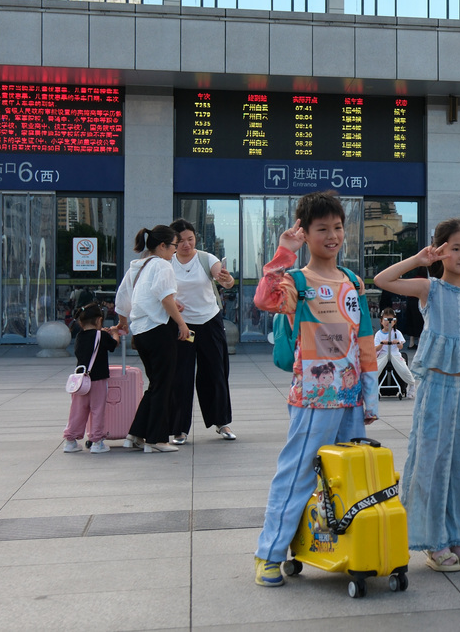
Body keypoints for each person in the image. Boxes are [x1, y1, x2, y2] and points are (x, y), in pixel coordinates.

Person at [250, 191, 378, 587]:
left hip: (351, 397)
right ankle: (269, 554)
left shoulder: (353, 281)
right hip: (313, 398)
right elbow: (264, 299)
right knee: (298, 474)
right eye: (322, 229)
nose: (333, 235)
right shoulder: (297, 281)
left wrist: (370, 390)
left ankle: (345, 551)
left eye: (338, 227)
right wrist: (283, 253)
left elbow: (366, 338)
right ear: (305, 233)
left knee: (351, 478)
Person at [375, 218, 460, 572]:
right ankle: (433, 541)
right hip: (437, 388)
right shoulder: (431, 289)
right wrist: (418, 260)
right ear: (440, 251)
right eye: (455, 248)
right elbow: (382, 281)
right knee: (430, 464)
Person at [115, 226, 191, 453]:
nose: (175, 252)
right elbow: (166, 298)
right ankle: (156, 440)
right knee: (163, 385)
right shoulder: (162, 265)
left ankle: (135, 434)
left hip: (141, 332)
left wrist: (122, 323)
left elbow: (122, 299)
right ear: (162, 246)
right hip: (159, 330)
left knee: (156, 384)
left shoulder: (137, 267)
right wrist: (181, 323)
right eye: (174, 247)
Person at [167, 218, 237, 445]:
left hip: (209, 321)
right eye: (181, 241)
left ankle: (222, 423)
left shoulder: (206, 259)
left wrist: (226, 279)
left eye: (190, 239)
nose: (186, 244)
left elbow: (224, 278)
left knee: (215, 372)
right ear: (173, 242)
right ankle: (179, 429)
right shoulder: (167, 263)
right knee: (181, 376)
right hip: (181, 325)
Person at [62, 303, 120, 454]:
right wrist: (114, 333)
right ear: (99, 320)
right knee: (97, 410)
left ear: (81, 322)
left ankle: (70, 441)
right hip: (98, 380)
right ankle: (97, 442)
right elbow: (114, 345)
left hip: (80, 381)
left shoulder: (80, 336)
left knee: (77, 410)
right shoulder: (102, 335)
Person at [374, 310, 415, 398]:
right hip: (383, 355)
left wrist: (397, 343)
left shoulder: (397, 333)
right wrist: (381, 343)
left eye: (390, 320)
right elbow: (375, 348)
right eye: (385, 319)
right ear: (381, 321)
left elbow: (400, 347)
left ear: (394, 321)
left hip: (395, 354)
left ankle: (412, 385)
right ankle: (369, 389)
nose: (387, 322)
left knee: (404, 369)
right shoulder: (378, 334)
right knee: (375, 370)